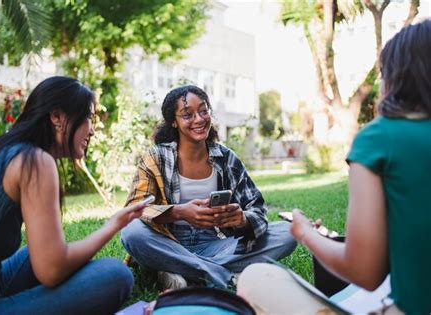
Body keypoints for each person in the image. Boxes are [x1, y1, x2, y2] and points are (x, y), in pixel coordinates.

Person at [237, 19, 431, 315]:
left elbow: (364, 271)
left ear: (398, 77)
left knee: (256, 277)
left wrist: (304, 233)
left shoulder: (381, 137)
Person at [0, 76, 148, 314]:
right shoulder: (35, 161)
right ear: (57, 117)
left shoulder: (5, 149)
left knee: (36, 252)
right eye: (88, 117)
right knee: (115, 275)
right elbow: (51, 271)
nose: (92, 130)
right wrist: (114, 225)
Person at [121, 85, 296, 289]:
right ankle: (224, 276)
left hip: (217, 244)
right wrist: (179, 212)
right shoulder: (156, 158)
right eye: (187, 115)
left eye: (203, 111)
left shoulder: (227, 159)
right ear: (173, 122)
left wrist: (242, 219)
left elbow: (256, 208)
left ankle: (178, 270)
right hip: (168, 242)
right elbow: (134, 209)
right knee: (131, 232)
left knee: (288, 231)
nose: (199, 119)